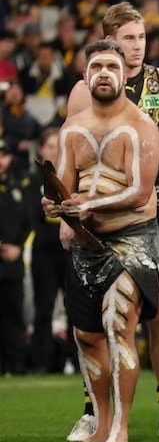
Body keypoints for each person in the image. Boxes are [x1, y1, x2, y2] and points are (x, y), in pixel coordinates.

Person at [64, 2, 159, 442]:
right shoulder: (85, 90)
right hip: (93, 213)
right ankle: (92, 411)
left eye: (141, 38)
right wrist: (66, 218)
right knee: (96, 319)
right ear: (109, 42)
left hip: (151, 207)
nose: (137, 47)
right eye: (128, 39)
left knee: (158, 312)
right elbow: (73, 153)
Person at [42, 40, 159, 442]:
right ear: (86, 76)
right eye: (97, 67)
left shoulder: (141, 126)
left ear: (125, 75)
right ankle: (101, 424)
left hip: (133, 240)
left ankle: (122, 429)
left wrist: (86, 203)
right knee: (87, 335)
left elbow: (141, 193)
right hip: (86, 245)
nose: (105, 73)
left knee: (117, 323)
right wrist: (54, 205)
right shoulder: (71, 128)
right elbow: (63, 190)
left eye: (112, 66)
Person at [28, 129, 68, 374]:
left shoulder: (70, 177)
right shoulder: (31, 181)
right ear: (41, 150)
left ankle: (76, 359)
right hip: (44, 250)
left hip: (68, 250)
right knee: (43, 307)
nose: (54, 151)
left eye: (58, 146)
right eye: (50, 146)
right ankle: (40, 361)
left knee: (75, 307)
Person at [0, 136, 31, 376]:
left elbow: (30, 223)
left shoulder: (19, 187)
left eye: (4, 155)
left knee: (13, 313)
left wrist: (19, 247)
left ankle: (16, 364)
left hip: (13, 262)